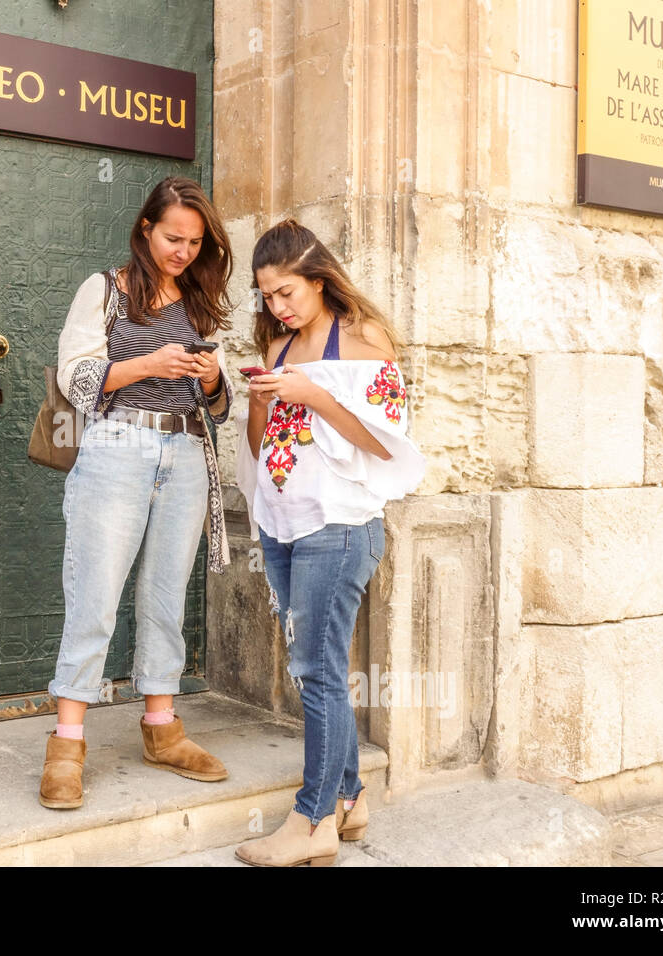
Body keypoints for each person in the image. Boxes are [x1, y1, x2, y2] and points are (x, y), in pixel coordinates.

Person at [231, 218, 426, 865]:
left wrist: (313, 393)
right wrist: (262, 401)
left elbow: (385, 441)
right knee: (319, 671)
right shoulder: (283, 348)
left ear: (319, 280)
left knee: (317, 674)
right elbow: (264, 453)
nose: (276, 306)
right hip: (284, 527)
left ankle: (311, 823)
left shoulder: (365, 342)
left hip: (339, 529)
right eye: (266, 296)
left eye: (286, 291)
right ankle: (348, 801)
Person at [39, 176, 237, 810]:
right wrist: (149, 365)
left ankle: (161, 728)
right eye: (172, 237)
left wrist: (210, 379)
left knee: (164, 597)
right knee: (94, 594)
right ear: (146, 229)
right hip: (117, 447)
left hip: (184, 453)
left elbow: (222, 405)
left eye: (194, 241)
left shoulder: (201, 301)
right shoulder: (103, 290)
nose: (182, 250)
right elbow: (75, 379)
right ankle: (67, 743)